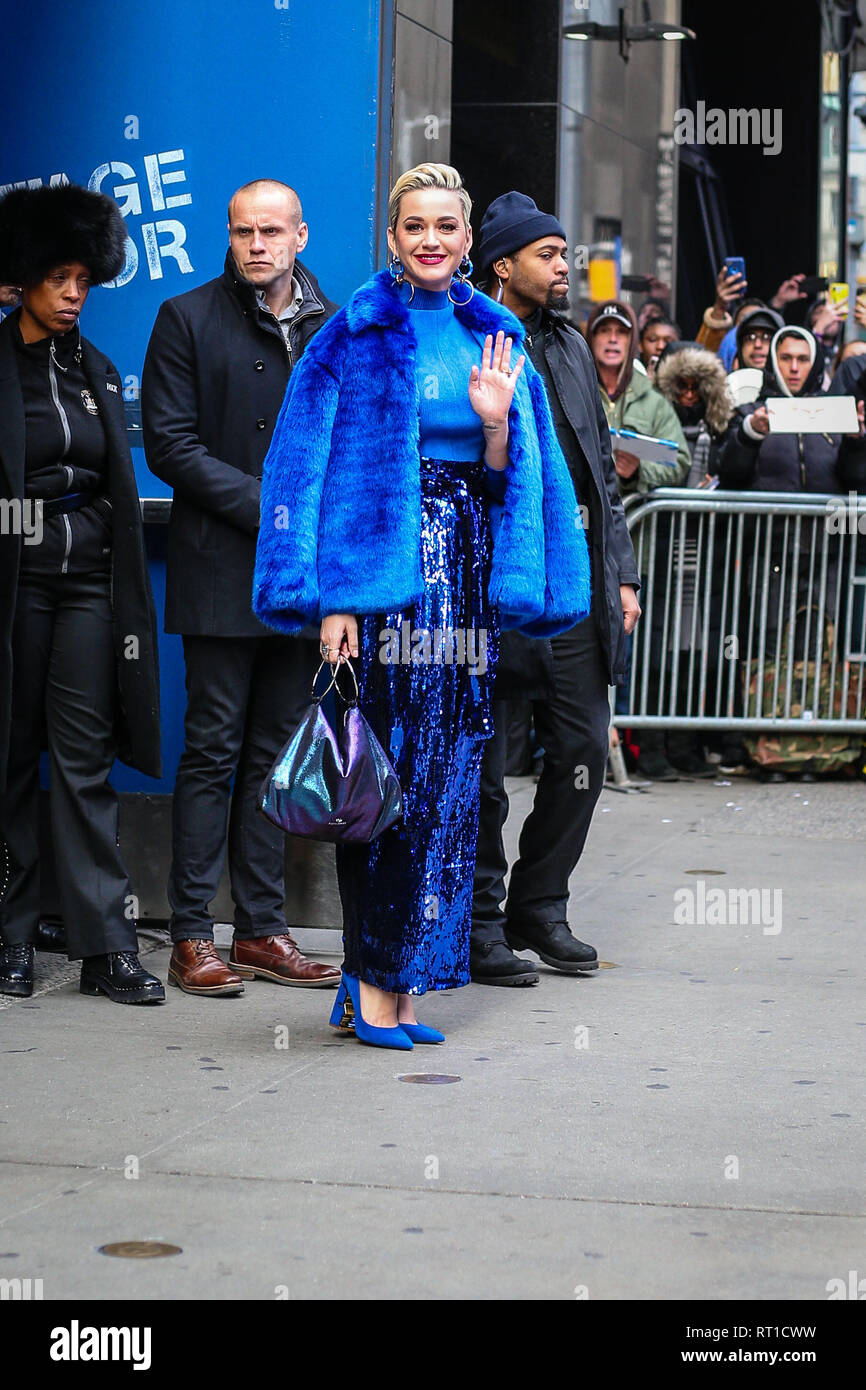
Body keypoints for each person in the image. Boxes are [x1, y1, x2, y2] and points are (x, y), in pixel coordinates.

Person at [253, 163, 591, 1048]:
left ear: (467, 240)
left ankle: (404, 981)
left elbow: (513, 483)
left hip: (466, 579)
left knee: (449, 786)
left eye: (446, 225)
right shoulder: (353, 332)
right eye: (414, 226)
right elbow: (303, 471)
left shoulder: (496, 329)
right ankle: (371, 989)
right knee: (385, 783)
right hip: (385, 590)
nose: (431, 239)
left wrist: (494, 425)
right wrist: (332, 603)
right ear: (392, 237)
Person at [142, 179, 341, 997]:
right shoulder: (185, 318)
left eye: (271, 231)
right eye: (241, 231)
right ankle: (191, 934)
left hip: (301, 583)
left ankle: (260, 930)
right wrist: (275, 509)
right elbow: (169, 446)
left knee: (272, 758)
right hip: (223, 569)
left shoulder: (334, 327)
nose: (256, 244)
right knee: (213, 752)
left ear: (300, 235)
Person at [467, 191, 640, 985]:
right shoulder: (470, 335)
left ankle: (542, 905)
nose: (565, 265)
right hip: (495, 589)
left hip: (572, 590)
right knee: (486, 768)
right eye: (548, 254)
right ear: (504, 265)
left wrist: (624, 575)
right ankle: (480, 921)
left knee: (580, 751)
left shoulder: (569, 345)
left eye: (566, 252)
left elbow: (602, 472)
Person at [0, 185, 163, 1002]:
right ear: (22, 274)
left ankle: (106, 947)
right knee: (7, 757)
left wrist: (94, 526)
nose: (73, 292)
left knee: (83, 765)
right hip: (15, 582)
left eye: (84, 278)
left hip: (87, 587)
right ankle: (12, 936)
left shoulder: (95, 369)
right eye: (57, 275)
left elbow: (111, 477)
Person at [718, 326, 866, 781]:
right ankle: (770, 751)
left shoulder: (833, 413)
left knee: (824, 652)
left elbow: (853, 477)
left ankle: (818, 752)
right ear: (773, 362)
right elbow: (729, 472)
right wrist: (750, 432)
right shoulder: (750, 409)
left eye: (803, 357)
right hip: (771, 554)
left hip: (830, 554)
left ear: (815, 361)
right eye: (786, 358)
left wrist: (859, 439)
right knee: (768, 651)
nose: (795, 367)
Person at [585, 299, 690, 493]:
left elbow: (679, 462)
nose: (613, 339)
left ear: (631, 342)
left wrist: (638, 471)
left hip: (634, 518)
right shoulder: (574, 393)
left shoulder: (654, 400)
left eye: (622, 332)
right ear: (591, 338)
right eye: (604, 330)